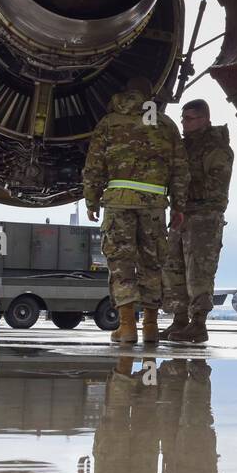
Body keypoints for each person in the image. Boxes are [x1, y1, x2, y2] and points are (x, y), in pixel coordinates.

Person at [83, 77, 189, 344]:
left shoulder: (110, 123)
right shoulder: (165, 125)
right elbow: (180, 169)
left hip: (119, 203)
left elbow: (94, 166)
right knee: (152, 263)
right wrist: (179, 206)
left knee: (121, 264)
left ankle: (127, 326)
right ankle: (151, 326)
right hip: (154, 206)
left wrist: (91, 200)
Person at [162, 99, 234, 344]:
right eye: (183, 118)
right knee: (174, 269)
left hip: (205, 217)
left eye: (190, 118)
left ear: (204, 119)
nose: (184, 123)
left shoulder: (217, 148)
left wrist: (182, 190)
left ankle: (199, 324)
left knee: (199, 272)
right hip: (181, 215)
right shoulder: (183, 147)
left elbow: (216, 185)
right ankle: (180, 320)